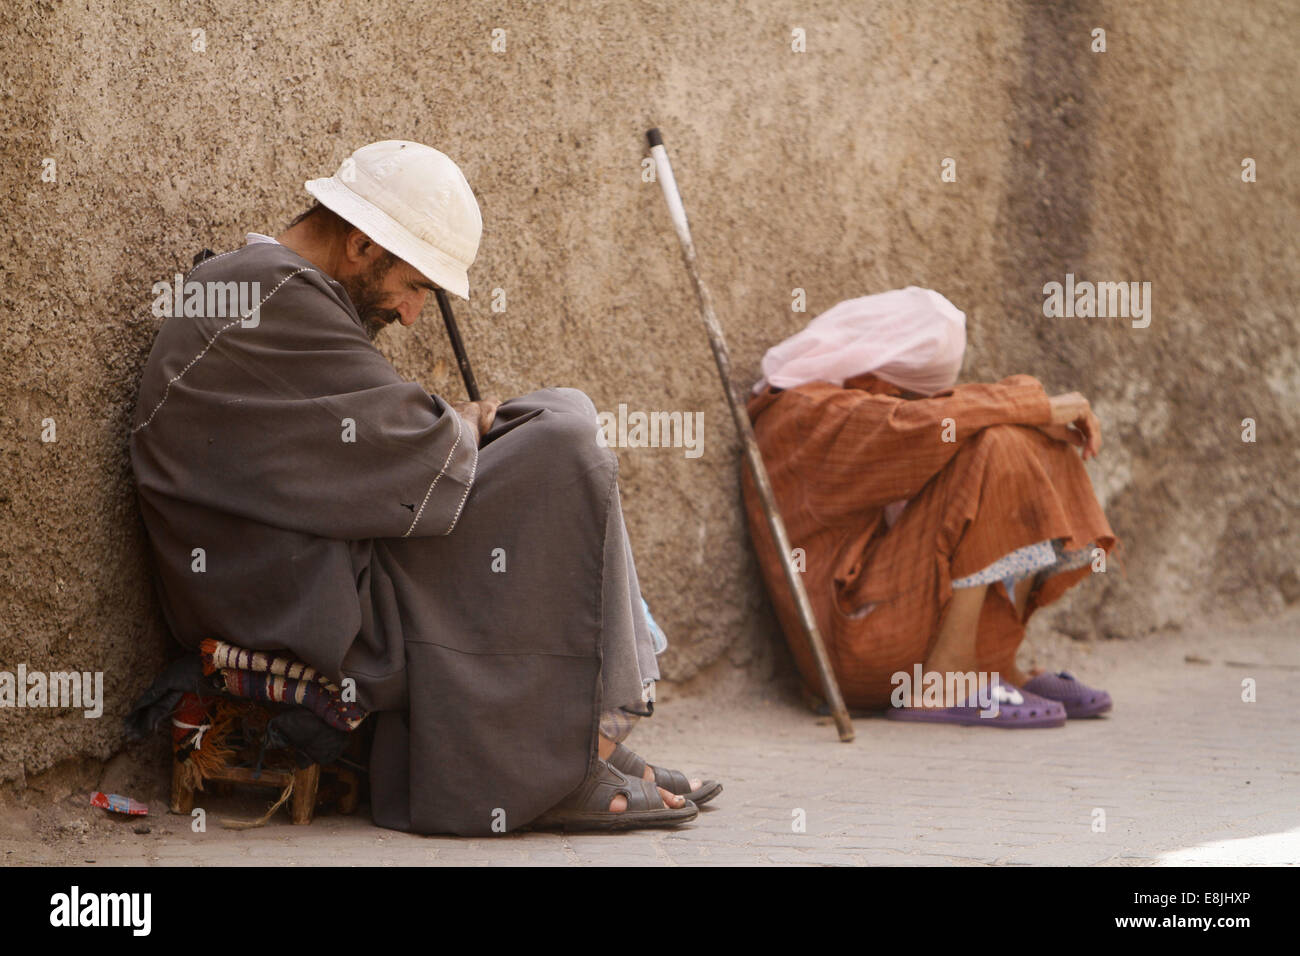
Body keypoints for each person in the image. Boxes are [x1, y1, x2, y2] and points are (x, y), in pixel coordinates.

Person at [130, 140, 717, 833]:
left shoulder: (266, 289)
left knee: (558, 427)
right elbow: (417, 453)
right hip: (294, 601)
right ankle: (551, 764)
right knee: (562, 436)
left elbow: (381, 447)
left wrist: (456, 427)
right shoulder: (273, 293)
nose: (411, 315)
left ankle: (572, 746)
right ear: (360, 245)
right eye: (413, 287)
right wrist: (460, 423)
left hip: (304, 574)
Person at [741, 287, 1117, 728]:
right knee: (997, 445)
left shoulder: (853, 401)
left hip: (893, 620)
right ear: (876, 376)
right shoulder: (805, 412)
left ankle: (997, 665)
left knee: (1029, 437)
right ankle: (947, 680)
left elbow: (937, 414)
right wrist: (1033, 405)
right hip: (856, 642)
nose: (914, 401)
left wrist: (1035, 413)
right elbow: (916, 424)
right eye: (908, 392)